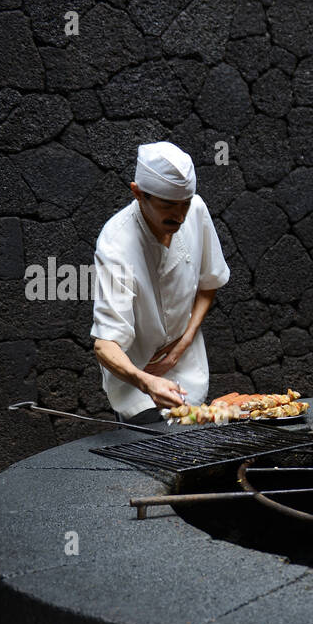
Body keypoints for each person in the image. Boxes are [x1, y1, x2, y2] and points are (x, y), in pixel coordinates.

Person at [90, 141, 230, 423]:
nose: (179, 216)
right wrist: (145, 382)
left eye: (185, 205)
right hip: (137, 380)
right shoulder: (116, 245)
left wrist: (183, 343)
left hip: (187, 366)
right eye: (168, 205)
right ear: (138, 193)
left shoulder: (197, 210)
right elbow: (104, 344)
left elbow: (209, 281)